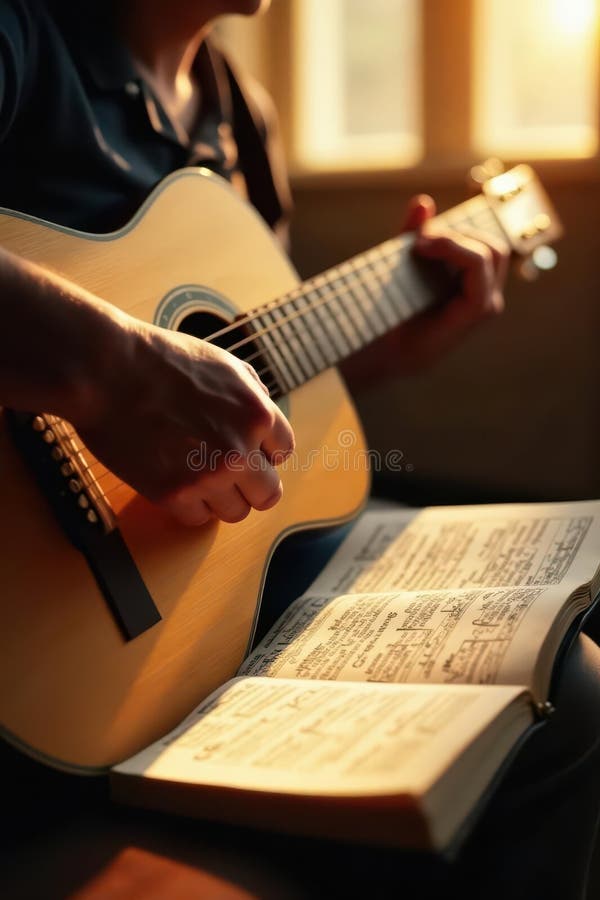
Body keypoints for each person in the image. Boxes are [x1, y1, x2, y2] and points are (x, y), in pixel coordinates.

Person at [0, 2, 598, 899]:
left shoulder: (240, 109)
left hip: (191, 572)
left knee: (571, 688)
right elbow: (154, 380)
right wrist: (109, 368)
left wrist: (383, 349)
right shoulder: (23, 33)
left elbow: (241, 372)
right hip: (44, 621)